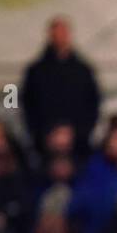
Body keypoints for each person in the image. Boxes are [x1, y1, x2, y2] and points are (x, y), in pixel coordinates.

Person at [21, 15, 101, 156]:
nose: (60, 36)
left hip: (79, 144)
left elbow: (93, 102)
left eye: (63, 32)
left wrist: (78, 132)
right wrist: (45, 132)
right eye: (56, 32)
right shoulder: (36, 71)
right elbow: (27, 104)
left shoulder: (83, 70)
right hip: (45, 144)